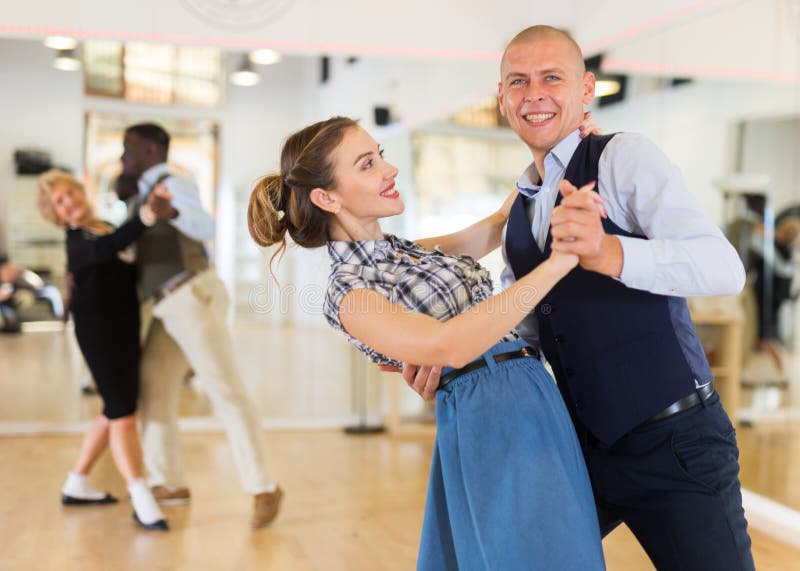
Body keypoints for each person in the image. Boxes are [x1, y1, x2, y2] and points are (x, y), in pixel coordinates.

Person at [404, 25, 754, 570]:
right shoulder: (519, 210)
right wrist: (451, 359)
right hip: (572, 447)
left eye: (552, 78)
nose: (533, 94)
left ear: (586, 89)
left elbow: (724, 268)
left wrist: (610, 252)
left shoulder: (624, 158)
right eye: (517, 81)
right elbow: (528, 326)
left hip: (675, 447)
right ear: (501, 98)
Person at [247, 116, 607, 570]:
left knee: (563, 551)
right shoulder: (349, 293)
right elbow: (449, 346)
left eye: (380, 155)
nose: (389, 169)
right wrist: (559, 264)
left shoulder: (406, 250)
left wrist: (561, 149)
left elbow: (498, 223)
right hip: (492, 411)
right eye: (367, 164)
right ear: (327, 197)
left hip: (532, 392)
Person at [119, 123, 282, 529]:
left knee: (225, 388)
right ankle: (168, 481)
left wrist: (172, 212)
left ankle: (264, 487)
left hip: (191, 296)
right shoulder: (138, 192)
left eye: (130, 147)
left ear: (153, 149)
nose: (124, 155)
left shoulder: (174, 184)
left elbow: (206, 228)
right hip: (164, 307)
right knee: (153, 389)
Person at [36, 169, 173, 531]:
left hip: (124, 328)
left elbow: (123, 262)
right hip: (99, 332)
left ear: (82, 192)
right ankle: (141, 498)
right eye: (60, 202)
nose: (70, 203)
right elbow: (107, 249)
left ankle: (76, 483)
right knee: (123, 415)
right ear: (56, 214)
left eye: (71, 193)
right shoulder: (78, 239)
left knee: (114, 410)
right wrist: (144, 218)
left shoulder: (104, 228)